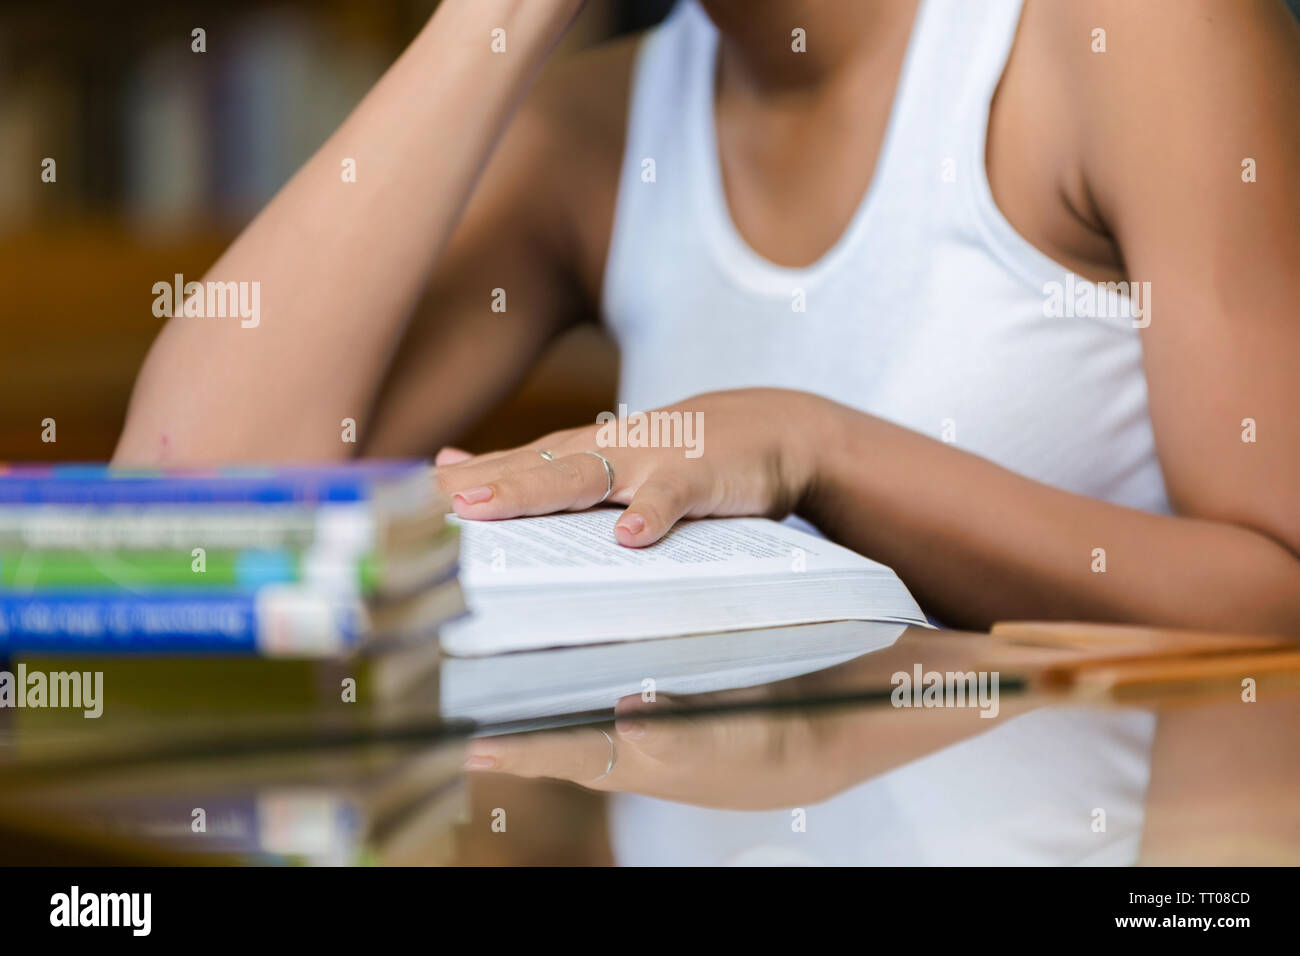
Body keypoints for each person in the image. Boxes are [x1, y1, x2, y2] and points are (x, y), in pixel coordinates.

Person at [116, 0, 1300, 864]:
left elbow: (1280, 591)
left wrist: (820, 450)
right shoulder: (609, 117)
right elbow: (173, 504)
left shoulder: (1127, 41)